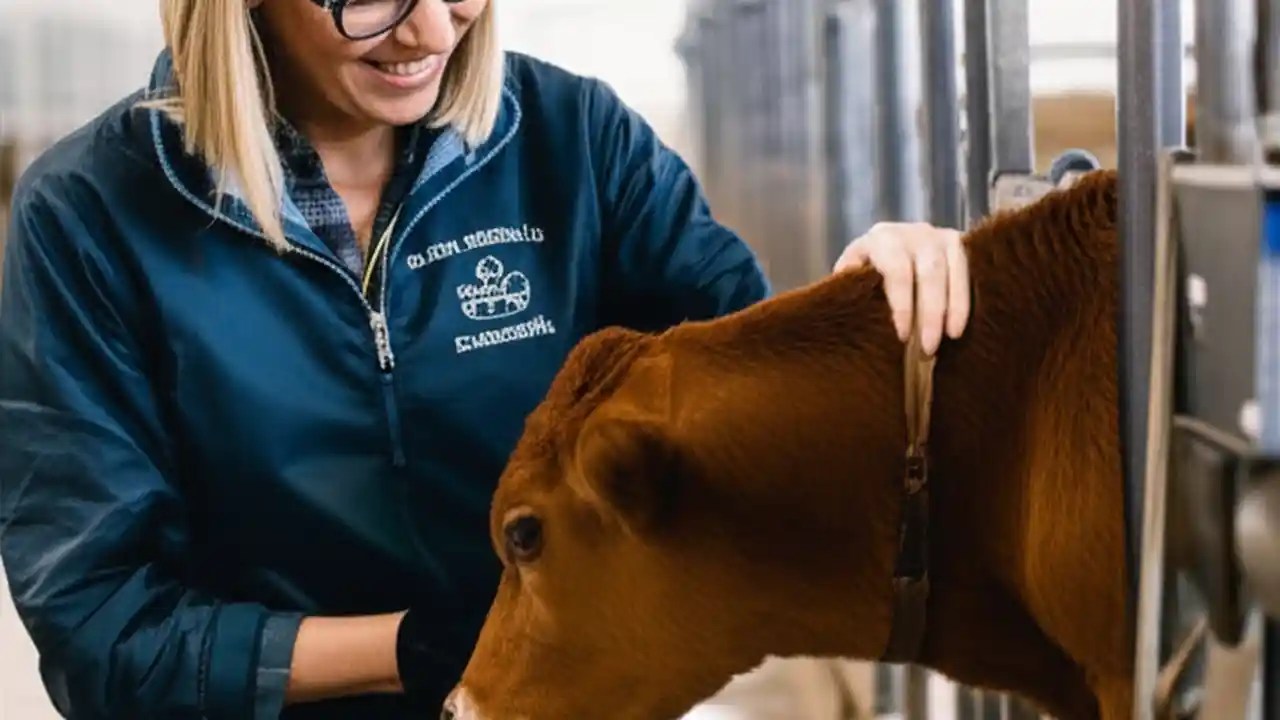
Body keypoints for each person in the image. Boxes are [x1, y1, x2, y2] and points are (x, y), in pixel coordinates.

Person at [0, 1, 971, 718]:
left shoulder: (574, 142)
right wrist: (427, 652)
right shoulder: (89, 218)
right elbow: (103, 631)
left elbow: (753, 421)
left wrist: (857, 310)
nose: (430, 29)